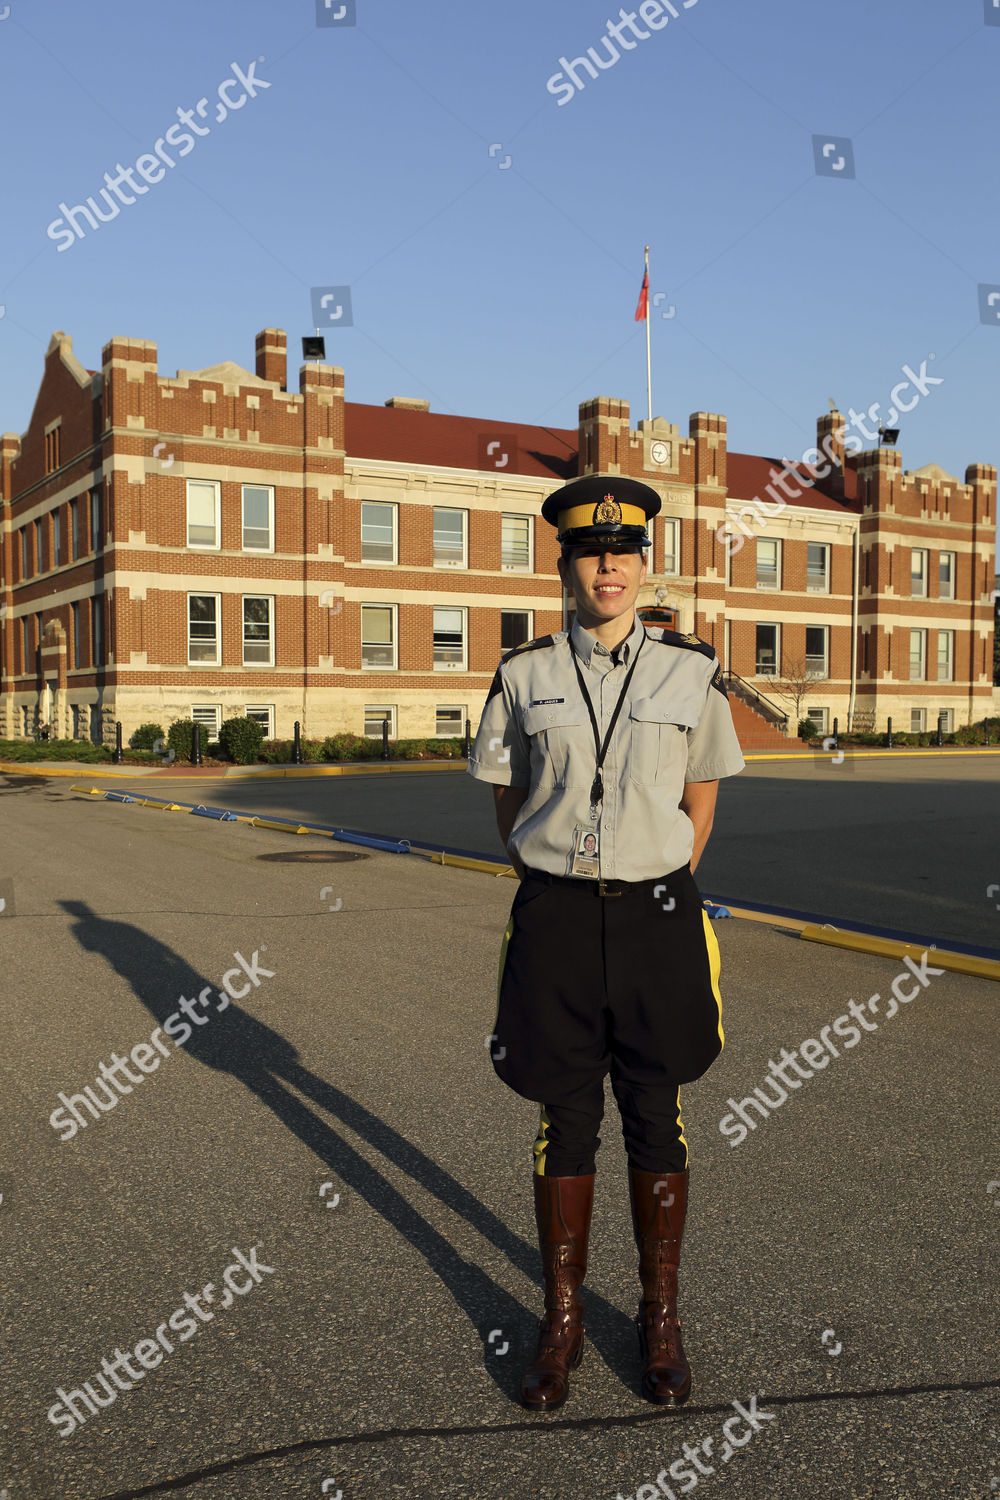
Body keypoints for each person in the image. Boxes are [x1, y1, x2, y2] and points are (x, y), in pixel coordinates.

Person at [468, 473, 744, 1411]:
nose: (608, 568)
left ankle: (659, 1318)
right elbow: (507, 794)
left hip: (656, 915)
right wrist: (550, 867)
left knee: (655, 1113)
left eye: (623, 554)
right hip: (556, 914)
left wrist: (658, 869)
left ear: (642, 564)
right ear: (566, 567)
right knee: (564, 1114)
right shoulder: (522, 674)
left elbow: (702, 792)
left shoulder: (690, 671)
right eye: (592, 554)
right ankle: (562, 1320)